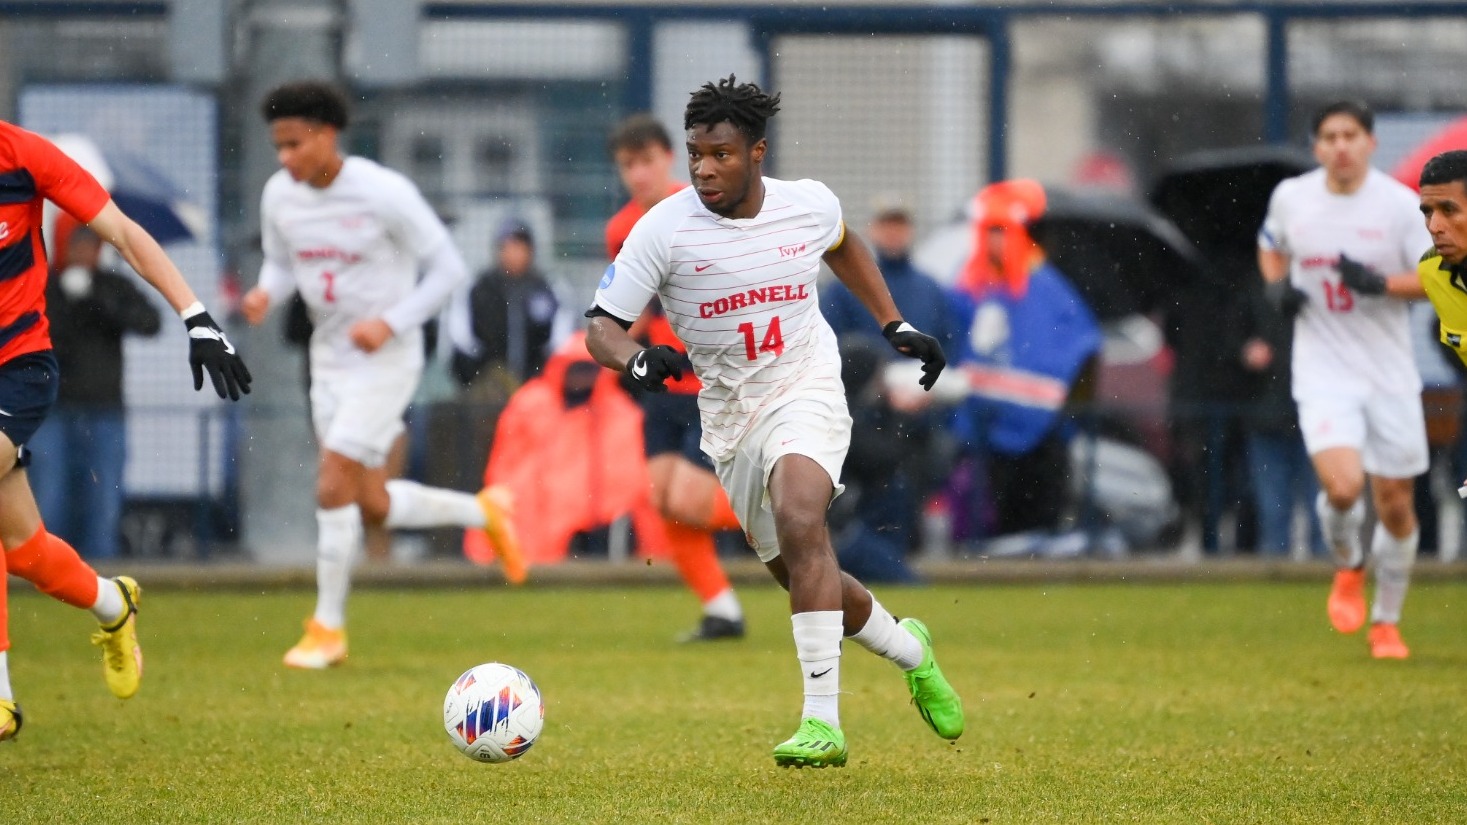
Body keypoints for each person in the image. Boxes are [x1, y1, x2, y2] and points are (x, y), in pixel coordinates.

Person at [584, 76, 963, 768]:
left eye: (720, 154)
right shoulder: (662, 229)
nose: (703, 168)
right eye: (696, 153)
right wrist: (635, 363)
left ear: (756, 153)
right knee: (801, 572)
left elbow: (843, 242)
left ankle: (822, 723)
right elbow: (601, 328)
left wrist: (893, 322)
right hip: (729, 417)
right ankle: (911, 648)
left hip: (806, 386)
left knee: (800, 514)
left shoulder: (806, 203)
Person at [240, 80, 524, 670]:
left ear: (326, 135)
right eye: (278, 147)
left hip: (387, 361)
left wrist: (391, 322)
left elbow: (447, 269)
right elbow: (281, 259)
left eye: (294, 144)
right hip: (328, 362)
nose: (284, 158)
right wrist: (267, 292)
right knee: (366, 501)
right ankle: (485, 513)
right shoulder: (279, 196)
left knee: (329, 481)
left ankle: (327, 628)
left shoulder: (383, 192)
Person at [0, 118, 252, 741]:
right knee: (27, 552)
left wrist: (196, 318)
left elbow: (125, 233)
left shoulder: (24, 157)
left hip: (19, 370)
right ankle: (114, 604)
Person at [1257, 100, 1431, 659]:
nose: (1340, 146)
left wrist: (1380, 283)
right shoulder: (1292, 197)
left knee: (1397, 506)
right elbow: (1269, 248)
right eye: (1329, 136)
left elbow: (1436, 279)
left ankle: (1387, 622)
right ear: (1316, 147)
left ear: (1370, 143)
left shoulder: (1401, 206)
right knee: (1342, 487)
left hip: (1388, 373)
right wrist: (1277, 288)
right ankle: (1350, 563)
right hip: (1323, 371)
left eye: (1350, 135)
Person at [604, 113, 746, 641]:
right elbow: (627, 307)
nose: (638, 174)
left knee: (688, 499)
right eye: (627, 165)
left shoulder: (701, 211)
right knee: (663, 498)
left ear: (668, 160)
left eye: (646, 161)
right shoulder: (620, 230)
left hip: (708, 380)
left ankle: (794, 513)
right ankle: (722, 610)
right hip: (662, 383)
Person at [949, 180, 1102, 544]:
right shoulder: (971, 287)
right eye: (988, 232)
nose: (994, 241)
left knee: (1036, 522)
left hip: (1042, 438)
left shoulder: (1047, 288)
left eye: (1001, 232)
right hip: (986, 434)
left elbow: (1078, 347)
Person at [28, 218, 161, 560]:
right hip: (52, 411)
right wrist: (66, 305)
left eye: (90, 244)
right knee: (49, 496)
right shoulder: (44, 288)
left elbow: (150, 322)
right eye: (76, 244)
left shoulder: (111, 286)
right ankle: (49, 571)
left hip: (104, 411)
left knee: (103, 499)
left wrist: (98, 302)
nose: (84, 252)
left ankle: (99, 576)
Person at [449, 220, 560, 389]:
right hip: (488, 387)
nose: (513, 253)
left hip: (537, 386)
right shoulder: (478, 289)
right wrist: (483, 372)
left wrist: (538, 375)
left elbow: (558, 343)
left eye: (519, 247)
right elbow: (463, 343)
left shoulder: (549, 289)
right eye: (507, 247)